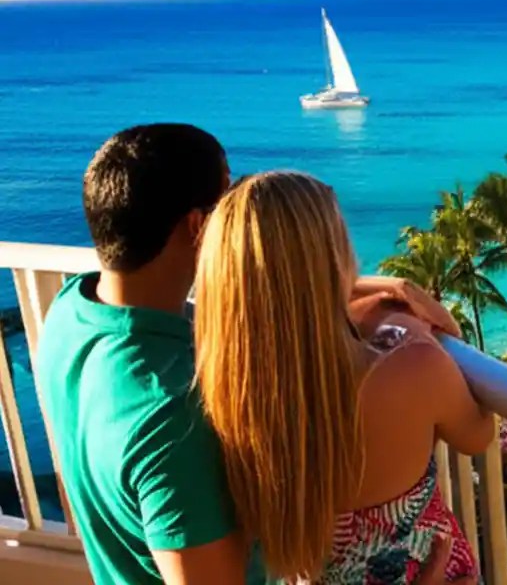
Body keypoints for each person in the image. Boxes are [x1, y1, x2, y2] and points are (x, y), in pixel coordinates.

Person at [34, 124, 461, 585]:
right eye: (229, 202)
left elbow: (267, 295)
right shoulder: (177, 414)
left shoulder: (73, 314)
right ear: (198, 227)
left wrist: (386, 287)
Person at [194, 170, 493, 584]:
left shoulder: (227, 393)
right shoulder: (412, 369)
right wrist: (412, 305)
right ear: (332, 258)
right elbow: (477, 433)